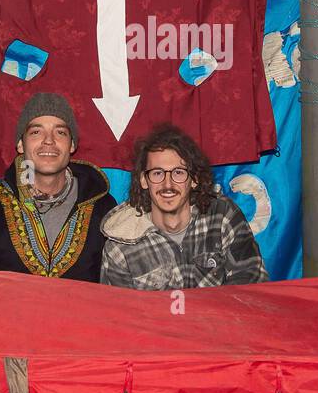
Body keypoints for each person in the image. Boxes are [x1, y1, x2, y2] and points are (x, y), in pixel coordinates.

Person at [0, 92, 116, 300]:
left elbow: (113, 295)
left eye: (60, 133)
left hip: (81, 331)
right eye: (36, 132)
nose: (49, 141)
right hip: (5, 332)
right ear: (21, 144)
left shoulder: (101, 206)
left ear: (72, 145)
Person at [100, 123, 267, 290]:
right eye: (157, 173)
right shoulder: (120, 246)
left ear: (194, 179)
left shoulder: (222, 216)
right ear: (144, 180)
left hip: (219, 315)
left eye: (178, 172)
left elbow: (251, 286)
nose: (168, 184)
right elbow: (118, 312)